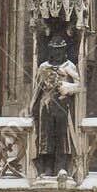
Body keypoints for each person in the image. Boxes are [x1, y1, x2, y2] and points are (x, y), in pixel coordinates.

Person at [31, 37, 80, 177]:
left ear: (64, 50)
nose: (57, 53)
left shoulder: (69, 66)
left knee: (62, 137)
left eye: (59, 50)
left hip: (63, 106)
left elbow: (79, 86)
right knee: (46, 136)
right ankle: (47, 167)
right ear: (50, 51)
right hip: (45, 106)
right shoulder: (43, 67)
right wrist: (33, 107)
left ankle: (61, 167)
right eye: (54, 50)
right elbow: (37, 89)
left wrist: (66, 87)